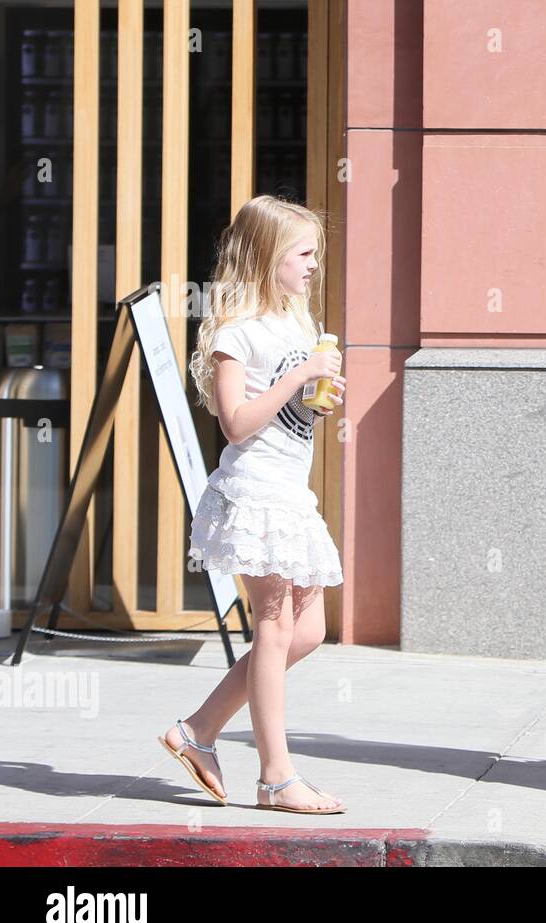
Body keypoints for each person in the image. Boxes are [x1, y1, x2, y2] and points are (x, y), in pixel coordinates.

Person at [157, 195, 347, 814]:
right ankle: (276, 777)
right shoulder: (237, 335)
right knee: (273, 630)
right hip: (255, 493)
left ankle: (197, 731)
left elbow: (287, 410)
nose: (315, 264)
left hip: (292, 493)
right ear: (269, 259)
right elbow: (236, 423)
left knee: (307, 631)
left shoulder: (295, 324)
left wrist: (314, 400)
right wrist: (297, 380)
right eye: (304, 253)